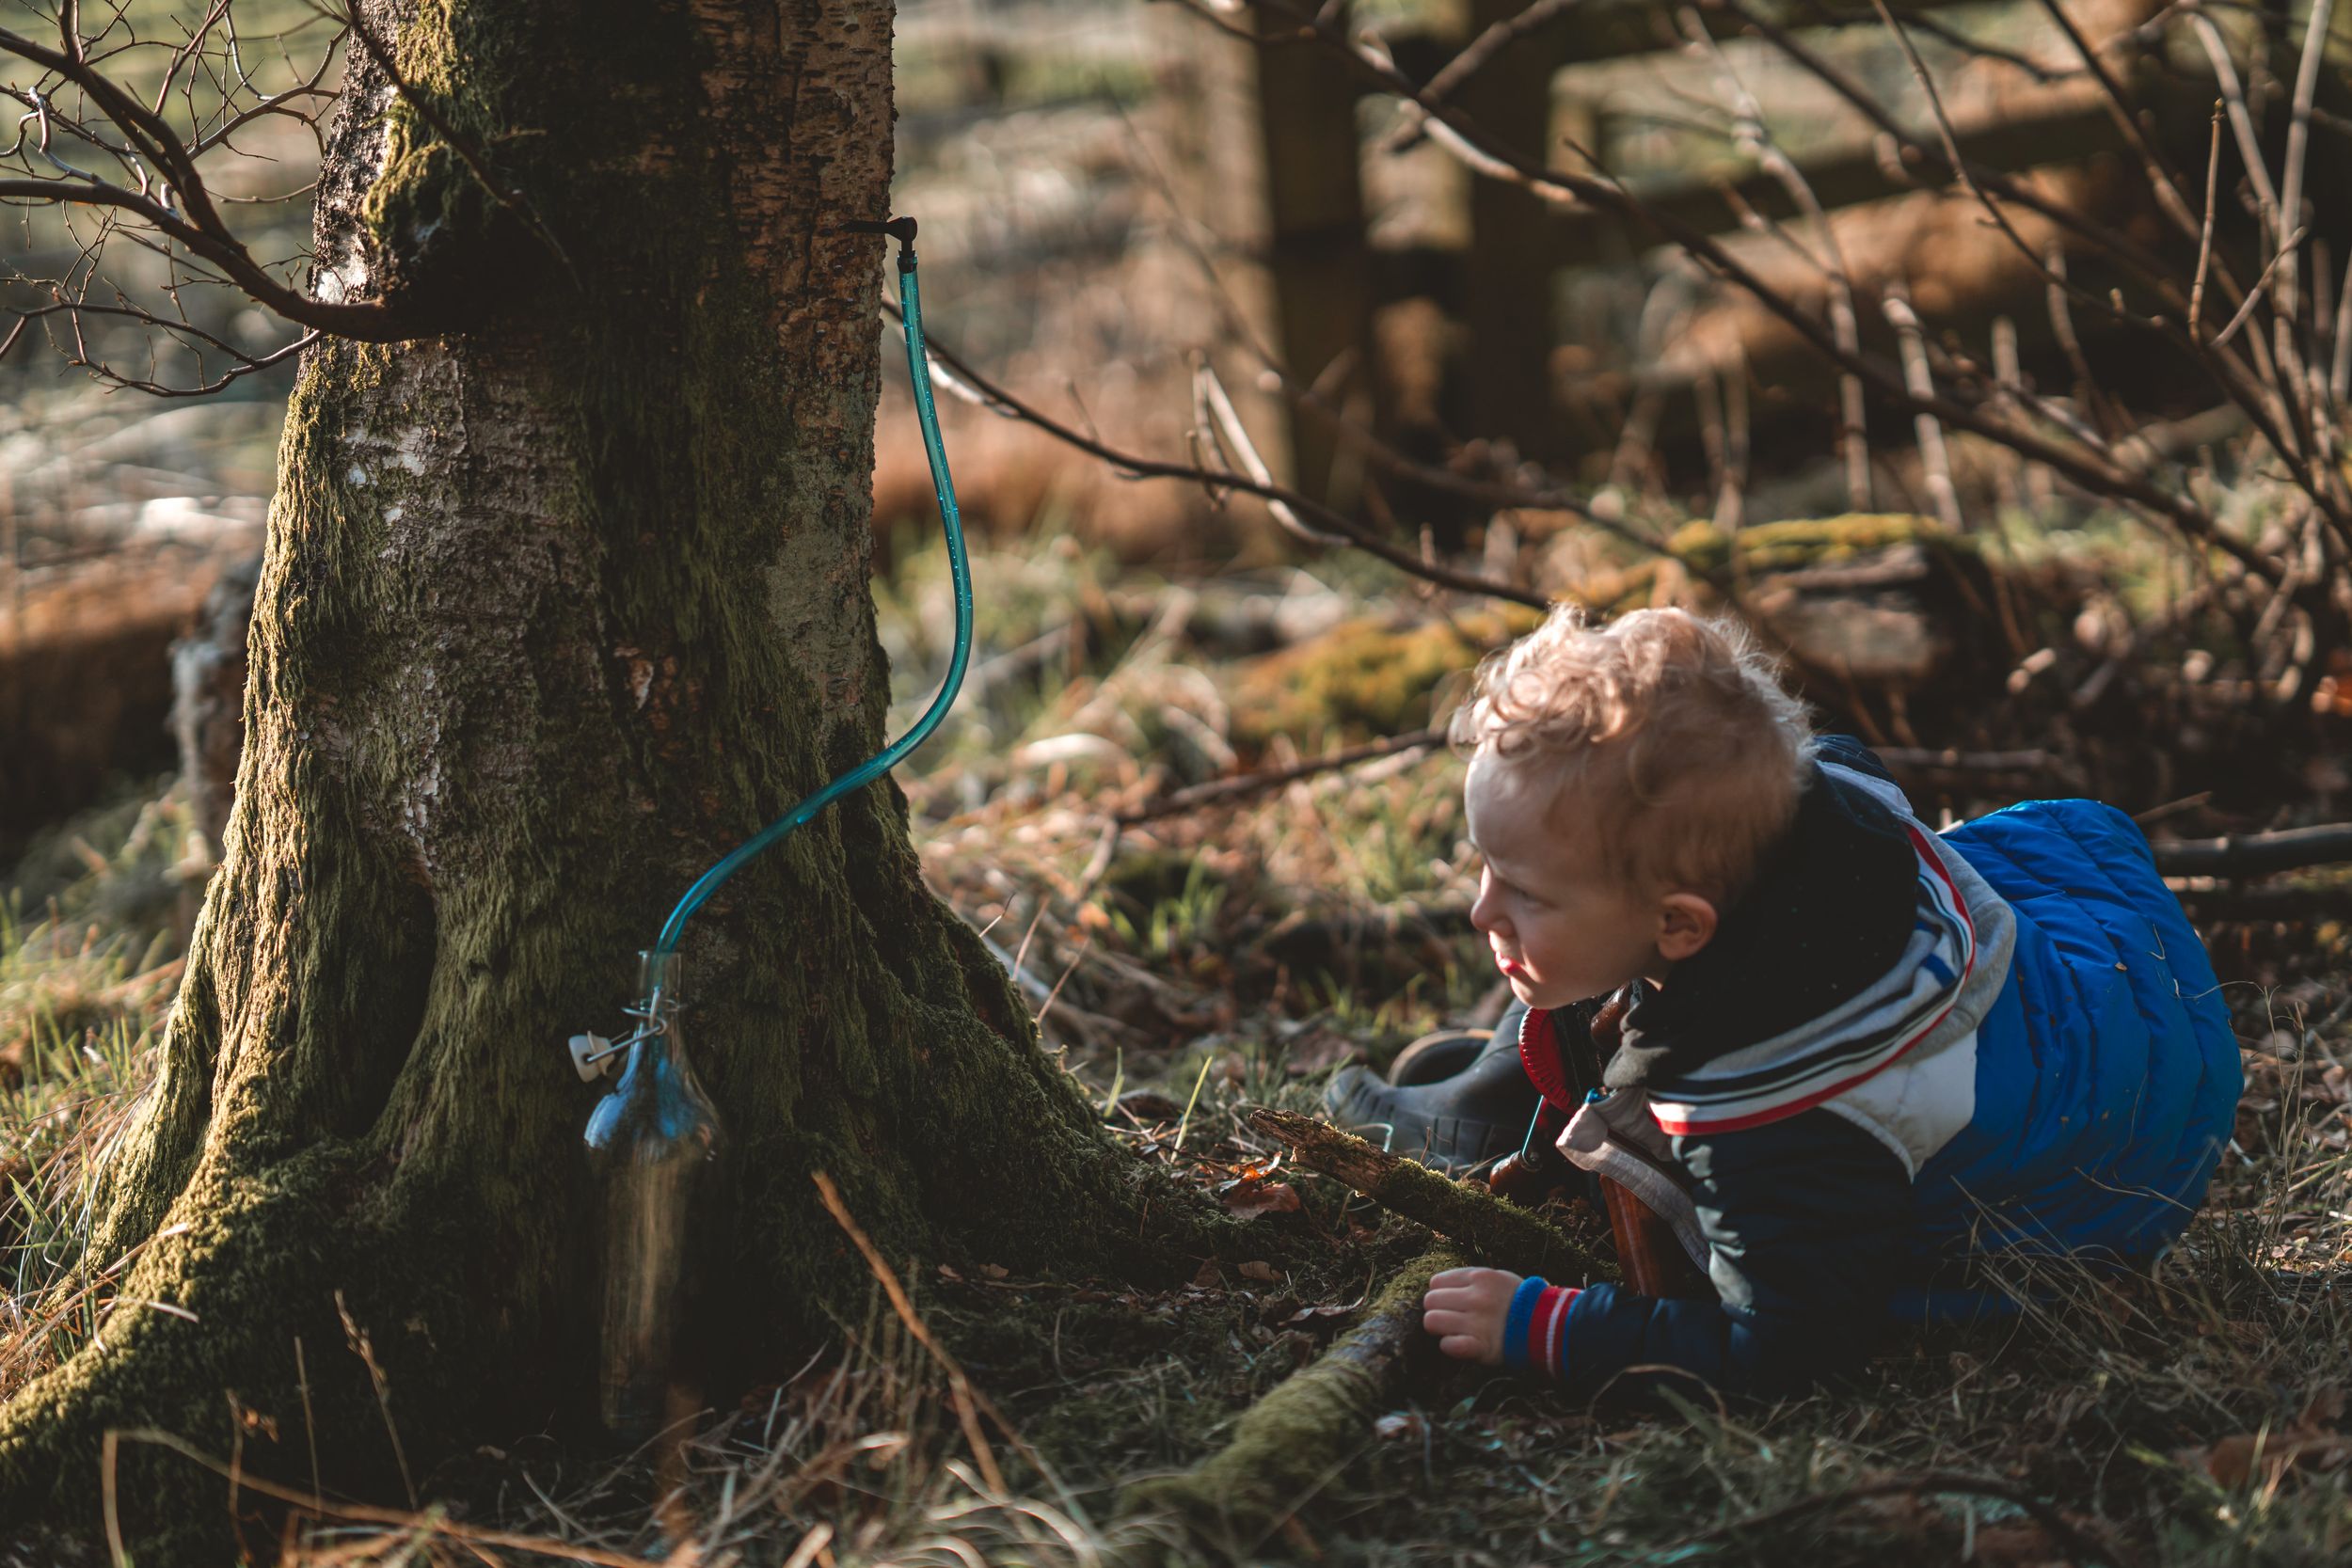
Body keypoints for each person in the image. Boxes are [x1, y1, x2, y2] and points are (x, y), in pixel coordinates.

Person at [1324, 607, 2240, 1397]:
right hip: (2076, 971)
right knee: (1579, 949)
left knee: (1599, 970)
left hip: (2107, 1136)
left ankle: (1522, 1093)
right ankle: (1523, 1081)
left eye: (1522, 890)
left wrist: (1549, 1325)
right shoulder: (1781, 815)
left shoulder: (1780, 1125)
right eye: (1487, 869)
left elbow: (1788, 1345)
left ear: (1681, 924)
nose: (1479, 908)